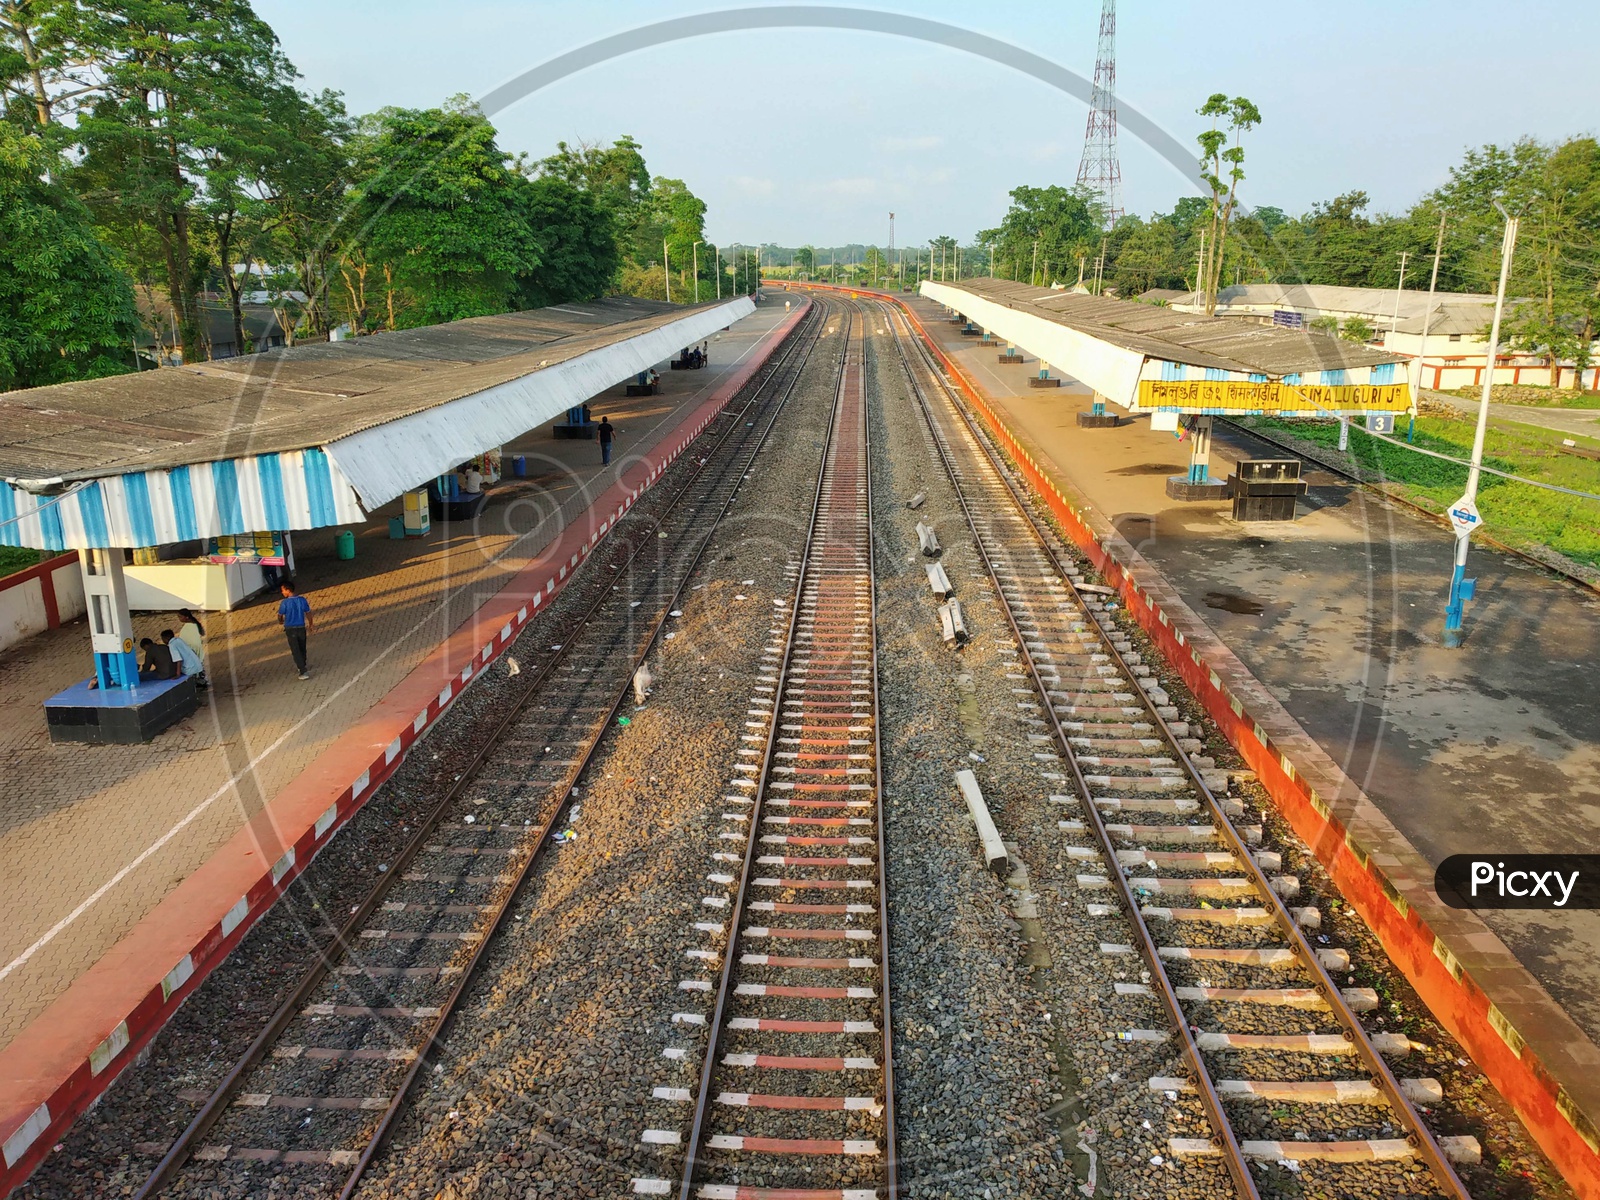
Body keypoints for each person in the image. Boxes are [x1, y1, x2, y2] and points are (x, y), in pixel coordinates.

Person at [277, 580, 313, 680]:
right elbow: (308, 612)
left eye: (283, 590)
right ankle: (303, 664)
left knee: (295, 650)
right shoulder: (302, 600)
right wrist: (311, 624)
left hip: (290, 628)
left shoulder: (285, 603)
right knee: (302, 647)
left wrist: (280, 621)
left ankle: (302, 670)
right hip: (301, 627)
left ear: (288, 590)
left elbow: (280, 615)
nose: (282, 592)